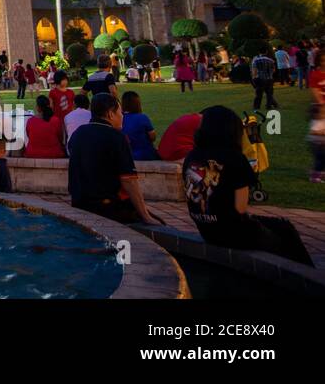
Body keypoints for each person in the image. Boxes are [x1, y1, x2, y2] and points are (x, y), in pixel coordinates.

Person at [183, 106, 314, 265]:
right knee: (286, 235)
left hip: (207, 230)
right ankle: (307, 275)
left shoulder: (191, 156)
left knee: (281, 226)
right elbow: (240, 208)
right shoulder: (235, 158)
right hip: (237, 234)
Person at [67, 93, 163, 225]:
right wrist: (145, 215)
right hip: (107, 207)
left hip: (79, 203)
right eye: (120, 112)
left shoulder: (78, 134)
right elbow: (129, 180)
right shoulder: (117, 137)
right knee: (158, 223)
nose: (122, 116)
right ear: (110, 114)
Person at [120, 90, 159, 160]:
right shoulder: (143, 117)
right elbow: (153, 137)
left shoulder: (119, 118)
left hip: (127, 154)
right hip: (145, 154)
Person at [251, 47, 279, 111]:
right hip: (269, 79)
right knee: (269, 94)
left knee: (259, 94)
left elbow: (254, 70)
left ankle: (257, 106)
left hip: (260, 78)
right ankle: (269, 105)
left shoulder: (256, 60)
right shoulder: (270, 60)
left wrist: (254, 78)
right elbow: (274, 70)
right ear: (266, 52)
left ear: (259, 52)